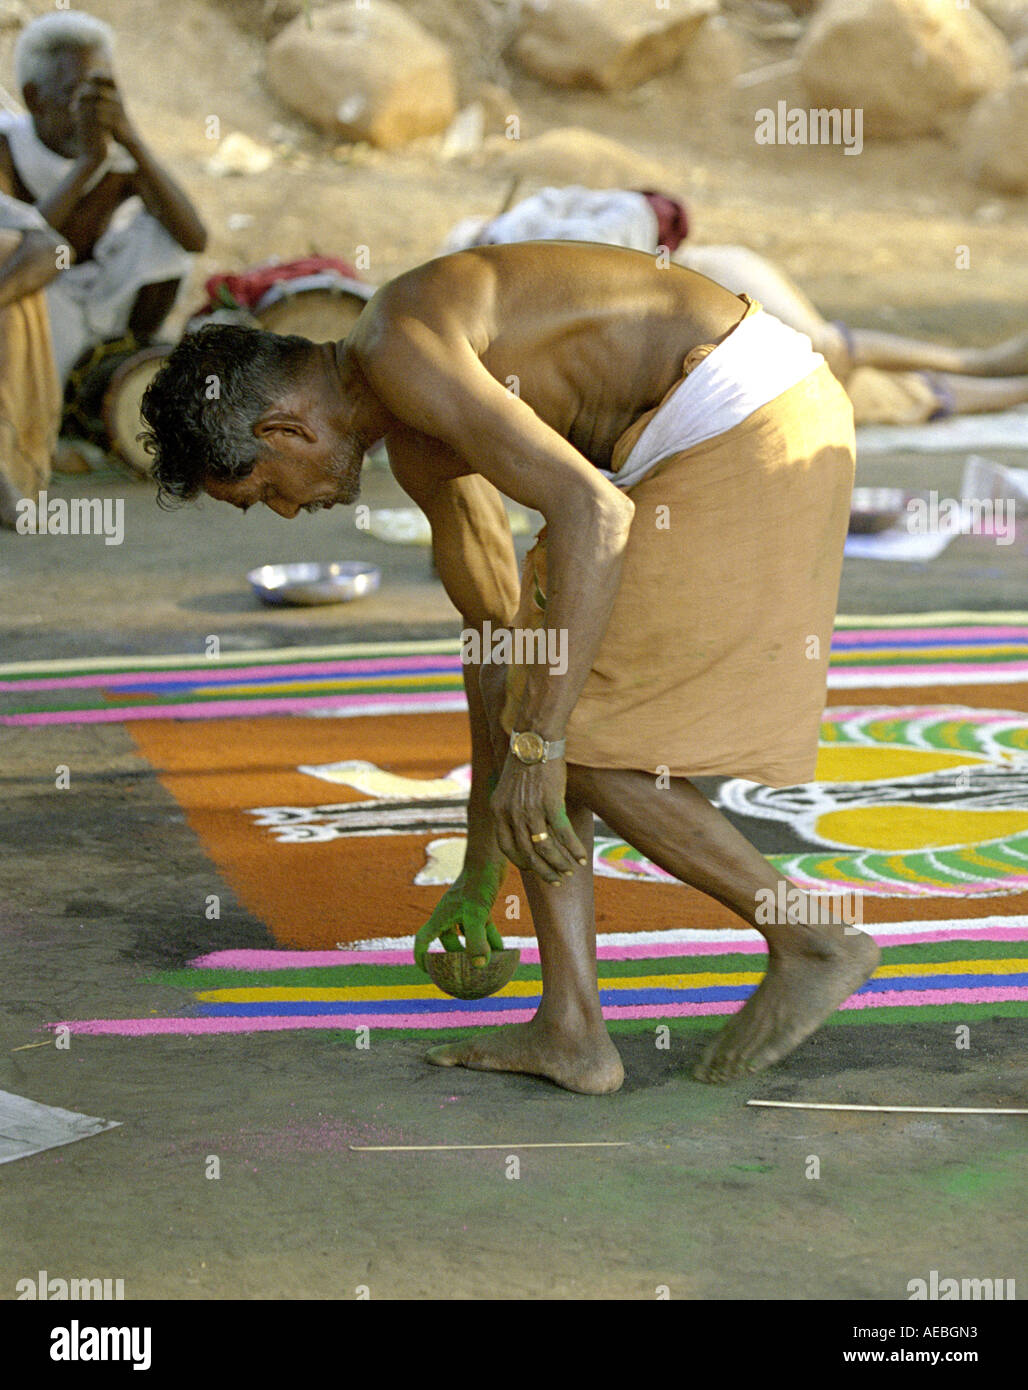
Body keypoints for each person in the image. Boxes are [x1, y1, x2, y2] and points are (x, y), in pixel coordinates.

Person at [139, 240, 881, 1094]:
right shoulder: (415, 425)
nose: (285, 510)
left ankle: (813, 937)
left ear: (285, 430)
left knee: (583, 745)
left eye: (267, 489)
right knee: (539, 706)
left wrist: (544, 743)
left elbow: (592, 512)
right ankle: (572, 1031)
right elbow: (497, 648)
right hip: (710, 433)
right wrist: (480, 867)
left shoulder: (399, 344)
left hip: (755, 420)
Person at [444, 187, 1028, 426]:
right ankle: (1011, 388)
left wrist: (546, 254)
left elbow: (645, 212)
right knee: (841, 397)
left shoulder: (526, 222)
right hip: (676, 333)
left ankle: (981, 362)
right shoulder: (495, 330)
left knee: (819, 353)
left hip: (708, 276)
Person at [0, 9, 206, 527]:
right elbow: (25, 244)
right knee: (29, 288)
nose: (92, 106)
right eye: (76, 92)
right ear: (33, 98)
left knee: (162, 241)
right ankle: (51, 422)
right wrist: (87, 164)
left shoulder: (116, 147)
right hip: (39, 300)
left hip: (102, 300)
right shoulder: (8, 148)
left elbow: (195, 238)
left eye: (103, 89)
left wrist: (130, 138)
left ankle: (131, 361)